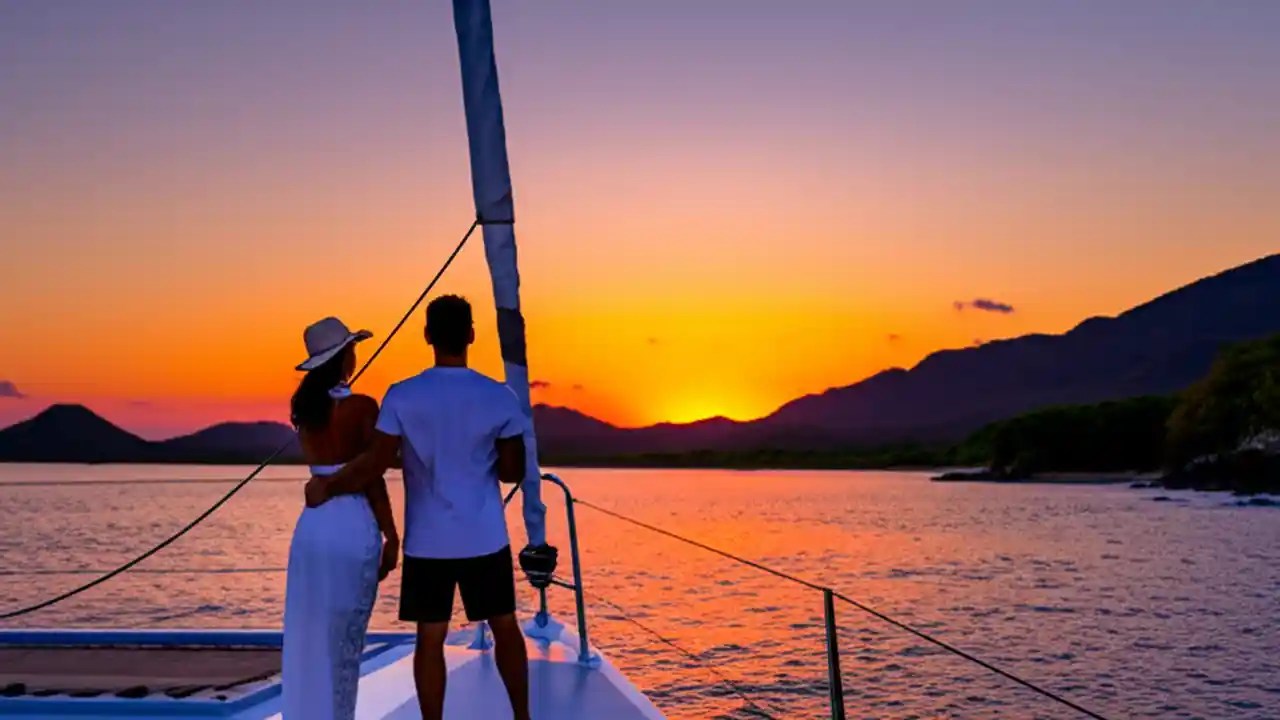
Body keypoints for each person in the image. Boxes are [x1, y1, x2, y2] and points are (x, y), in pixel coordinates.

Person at [304, 295, 534, 720]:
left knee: (430, 639)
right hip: (484, 536)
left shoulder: (402, 396)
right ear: (470, 335)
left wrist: (328, 486)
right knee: (505, 627)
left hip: (428, 543)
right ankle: (523, 718)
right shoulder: (499, 396)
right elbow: (510, 472)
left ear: (427, 336)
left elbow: (375, 461)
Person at [281, 317, 399, 720]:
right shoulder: (363, 407)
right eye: (352, 349)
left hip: (313, 527)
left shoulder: (305, 411)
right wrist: (391, 534)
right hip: (350, 524)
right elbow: (372, 476)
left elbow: (331, 471)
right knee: (345, 640)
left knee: (310, 637)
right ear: (343, 357)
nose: (356, 355)